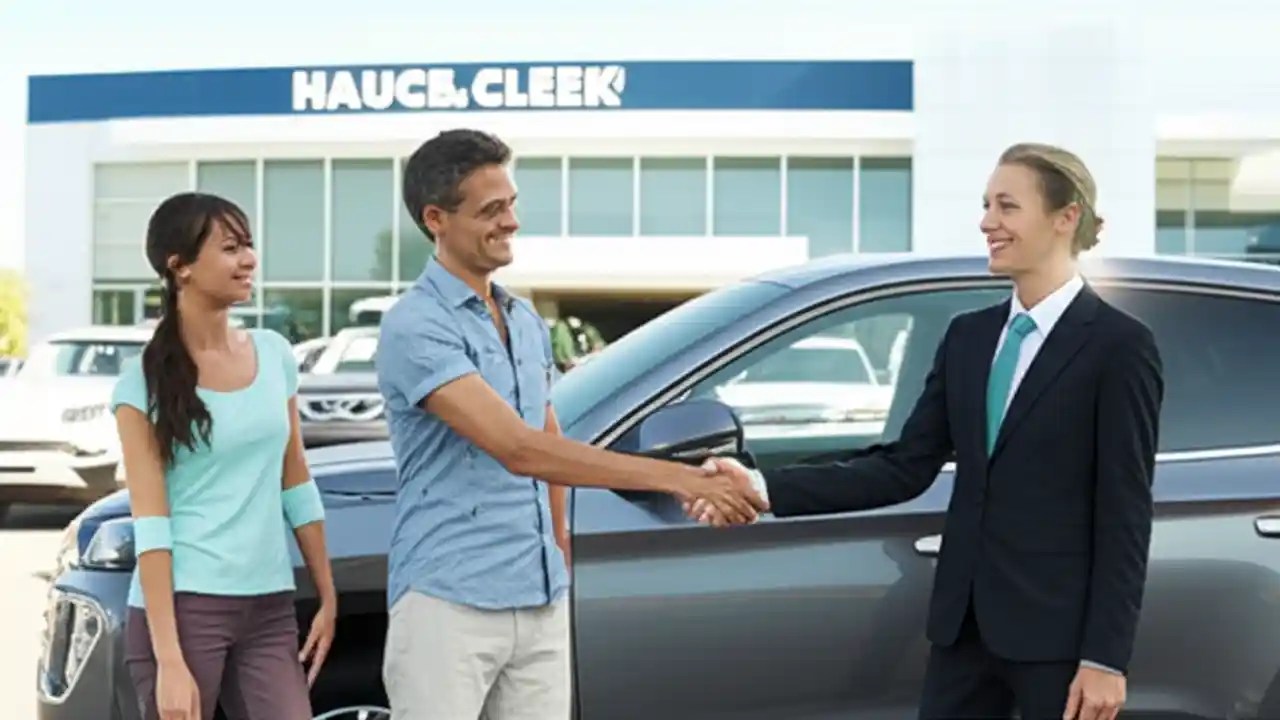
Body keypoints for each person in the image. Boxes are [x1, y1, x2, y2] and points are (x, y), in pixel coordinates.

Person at [694, 142, 1164, 720]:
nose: (987, 222)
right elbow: (903, 465)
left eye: (1007, 206)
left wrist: (1106, 658)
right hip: (962, 633)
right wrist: (763, 489)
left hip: (1059, 643)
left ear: (1065, 217)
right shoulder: (969, 337)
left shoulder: (1119, 347)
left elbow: (1125, 511)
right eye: (987, 204)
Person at [375, 128, 766, 720]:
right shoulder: (415, 326)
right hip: (448, 603)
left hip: (539, 599)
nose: (511, 221)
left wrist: (557, 551)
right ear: (436, 218)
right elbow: (519, 449)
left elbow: (549, 433)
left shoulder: (524, 319)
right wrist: (682, 479)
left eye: (510, 204)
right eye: (491, 210)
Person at [112, 192, 337, 720]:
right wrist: (168, 659)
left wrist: (327, 591)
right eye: (231, 247)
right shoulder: (141, 383)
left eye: (249, 246)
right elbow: (152, 524)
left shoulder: (275, 354)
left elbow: (296, 482)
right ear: (180, 267)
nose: (249, 260)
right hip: (185, 610)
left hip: (268, 606)